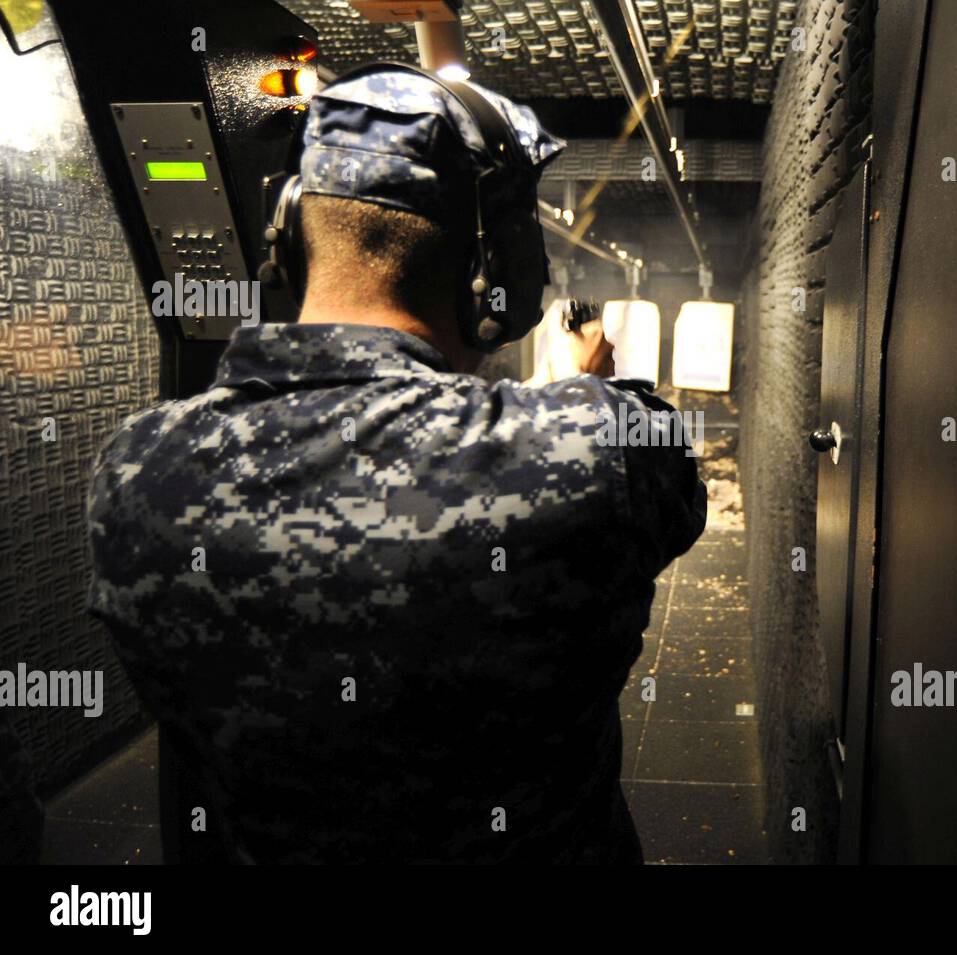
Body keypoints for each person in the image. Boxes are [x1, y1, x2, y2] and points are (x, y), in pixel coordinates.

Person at [85, 67, 706, 864]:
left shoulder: (135, 472)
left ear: (286, 236)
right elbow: (655, 468)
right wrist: (581, 390)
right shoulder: (598, 447)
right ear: (503, 269)